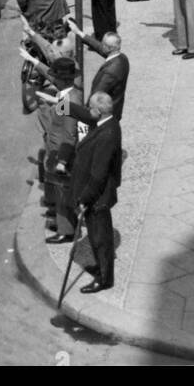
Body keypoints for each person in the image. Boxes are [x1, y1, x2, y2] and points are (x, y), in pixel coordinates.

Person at [67, 91, 122, 291]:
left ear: (99, 111)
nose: (89, 111)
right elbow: (83, 113)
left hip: (97, 198)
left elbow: (98, 176)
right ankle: (101, 267)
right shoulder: (105, 121)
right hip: (94, 195)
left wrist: (84, 200)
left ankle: (105, 278)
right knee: (95, 235)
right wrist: (60, 105)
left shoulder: (107, 134)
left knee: (100, 239)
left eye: (92, 108)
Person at [36, 57, 82, 243]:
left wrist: (62, 161)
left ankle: (67, 230)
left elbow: (69, 133)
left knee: (63, 192)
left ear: (63, 80)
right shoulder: (67, 94)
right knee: (60, 189)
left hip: (62, 152)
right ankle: (63, 223)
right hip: (56, 147)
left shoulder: (70, 99)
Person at [63, 19, 130, 121]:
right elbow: (99, 47)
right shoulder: (122, 58)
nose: (101, 45)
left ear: (109, 48)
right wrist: (79, 32)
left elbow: (95, 97)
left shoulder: (109, 73)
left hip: (102, 117)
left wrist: (80, 112)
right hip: (115, 110)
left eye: (103, 44)